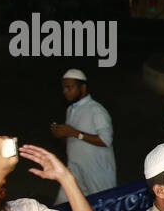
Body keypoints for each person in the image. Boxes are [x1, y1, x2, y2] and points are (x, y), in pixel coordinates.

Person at [50, 68, 116, 202]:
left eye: (69, 87)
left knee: (102, 209)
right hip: (75, 170)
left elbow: (105, 140)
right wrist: (61, 134)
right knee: (60, 209)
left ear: (83, 87)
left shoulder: (96, 110)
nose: (65, 91)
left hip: (96, 173)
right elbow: (72, 140)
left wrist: (73, 132)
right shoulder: (71, 110)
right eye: (64, 88)